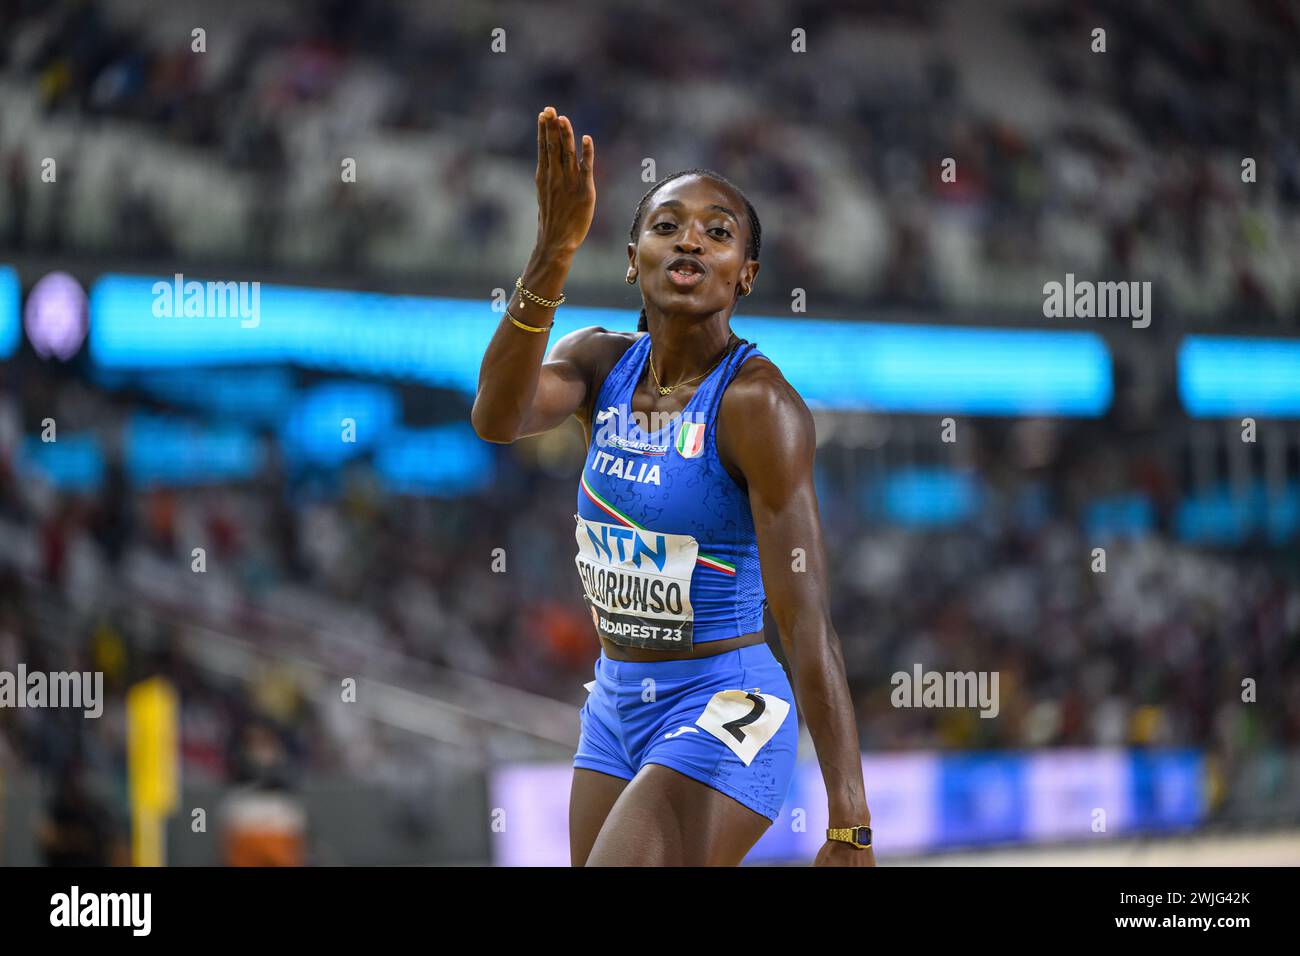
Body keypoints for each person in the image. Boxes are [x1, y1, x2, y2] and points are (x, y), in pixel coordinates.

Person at [472, 106, 873, 866]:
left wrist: (849, 821)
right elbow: (496, 416)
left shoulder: (758, 406)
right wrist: (552, 252)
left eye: (719, 232)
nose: (690, 238)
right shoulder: (596, 363)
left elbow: (806, 611)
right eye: (668, 225)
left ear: (745, 275)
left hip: (726, 701)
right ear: (631, 258)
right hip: (615, 703)